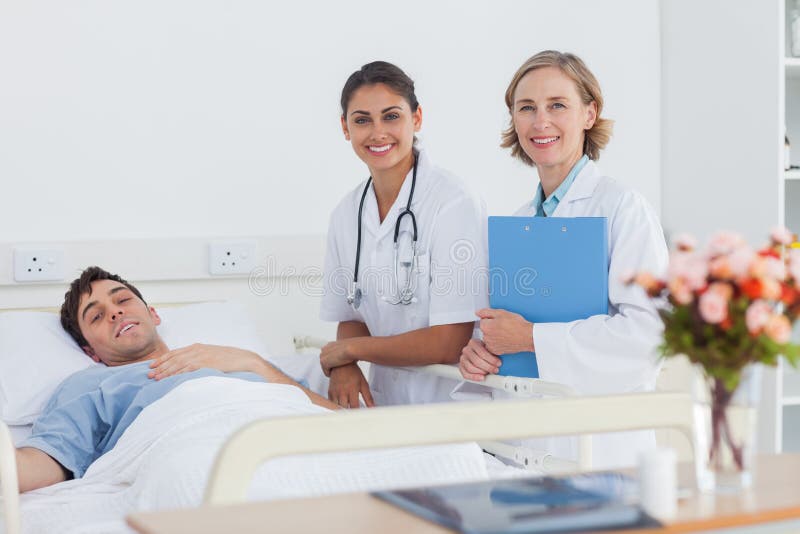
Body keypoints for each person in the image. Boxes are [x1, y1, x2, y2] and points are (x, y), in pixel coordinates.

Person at [458, 51, 669, 468]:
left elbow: (650, 337)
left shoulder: (622, 208)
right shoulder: (514, 225)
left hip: (600, 449)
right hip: (520, 450)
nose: (541, 122)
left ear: (589, 113)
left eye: (557, 105)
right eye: (526, 108)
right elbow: (499, 335)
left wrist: (530, 338)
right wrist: (478, 355)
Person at [14, 266, 338, 493]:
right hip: (192, 446)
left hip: (287, 432)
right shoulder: (88, 385)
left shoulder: (236, 360)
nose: (114, 312)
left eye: (122, 300)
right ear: (91, 351)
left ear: (153, 314)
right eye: (97, 316)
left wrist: (253, 362)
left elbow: (338, 421)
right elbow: (44, 462)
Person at [319, 61, 487, 408]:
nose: (378, 132)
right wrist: (344, 366)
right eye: (362, 119)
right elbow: (350, 316)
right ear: (345, 128)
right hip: (386, 406)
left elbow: (450, 341)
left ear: (417, 118)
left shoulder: (452, 202)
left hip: (453, 405)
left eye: (391, 116)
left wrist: (349, 351)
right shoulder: (346, 214)